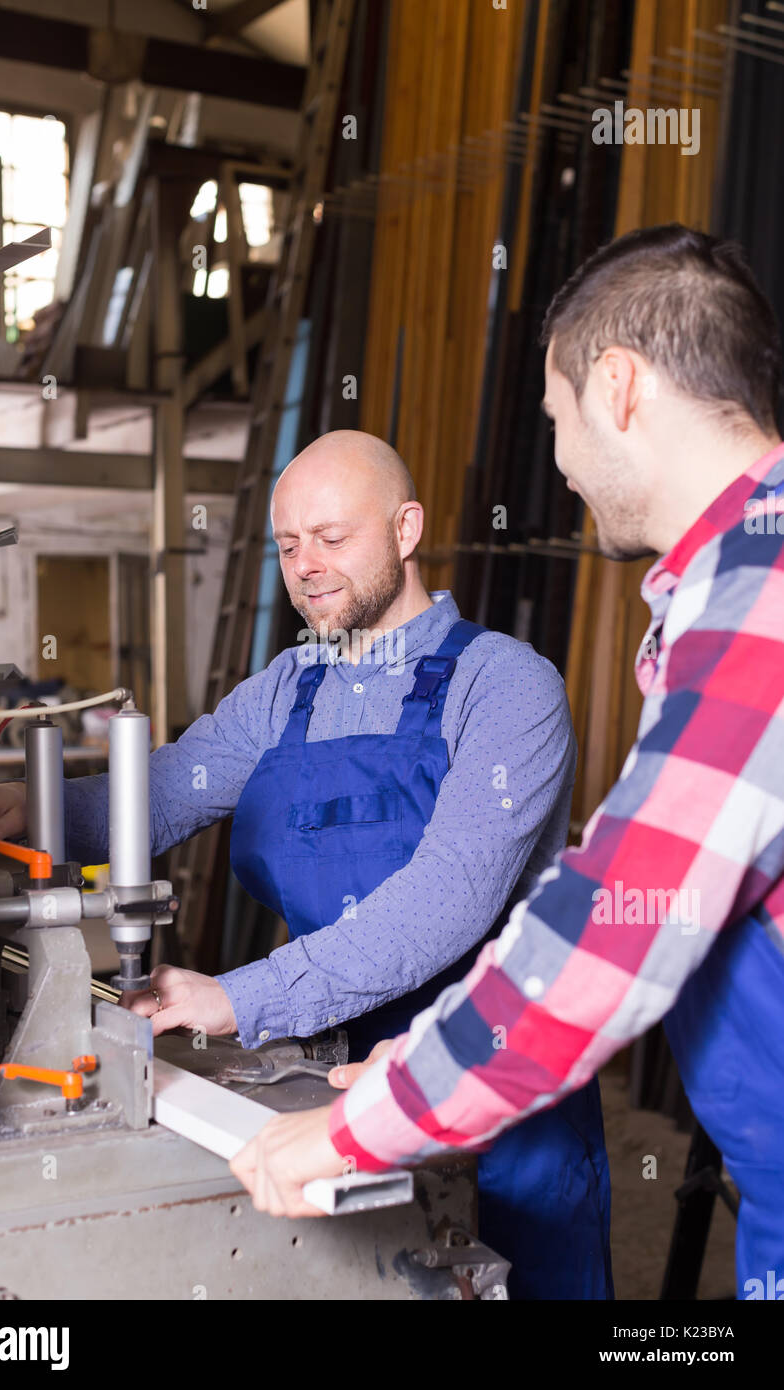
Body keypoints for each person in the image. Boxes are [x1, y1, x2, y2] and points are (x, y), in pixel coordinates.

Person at [228, 225, 784, 1303]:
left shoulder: (755, 600)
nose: (562, 463)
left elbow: (620, 922)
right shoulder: (722, 588)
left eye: (555, 421)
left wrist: (369, 1123)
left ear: (616, 386)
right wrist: (413, 1057)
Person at [0, 428, 612, 1300]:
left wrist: (241, 996)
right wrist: (44, 813)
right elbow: (169, 787)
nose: (306, 566)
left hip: (496, 1090)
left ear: (407, 528)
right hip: (325, 1073)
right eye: (288, 544)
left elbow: (445, 900)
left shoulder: (505, 686)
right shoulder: (287, 690)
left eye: (333, 539)